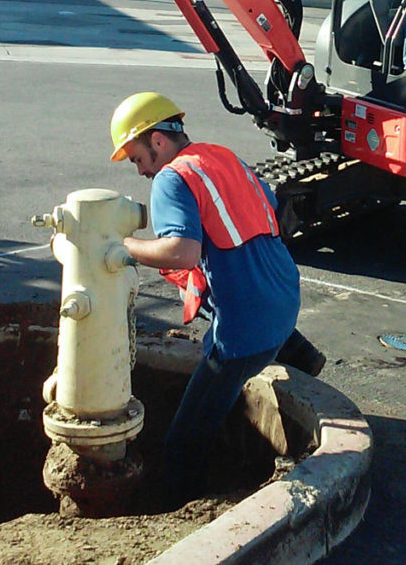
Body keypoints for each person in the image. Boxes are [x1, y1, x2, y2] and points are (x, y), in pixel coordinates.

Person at [109, 91, 313, 507]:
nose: (140, 170)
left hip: (243, 334)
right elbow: (266, 210)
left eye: (137, 158)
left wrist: (123, 245)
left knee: (183, 439)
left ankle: (177, 506)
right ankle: (301, 354)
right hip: (285, 299)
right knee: (206, 285)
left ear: (158, 141)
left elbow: (181, 251)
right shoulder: (222, 156)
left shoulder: (171, 179)